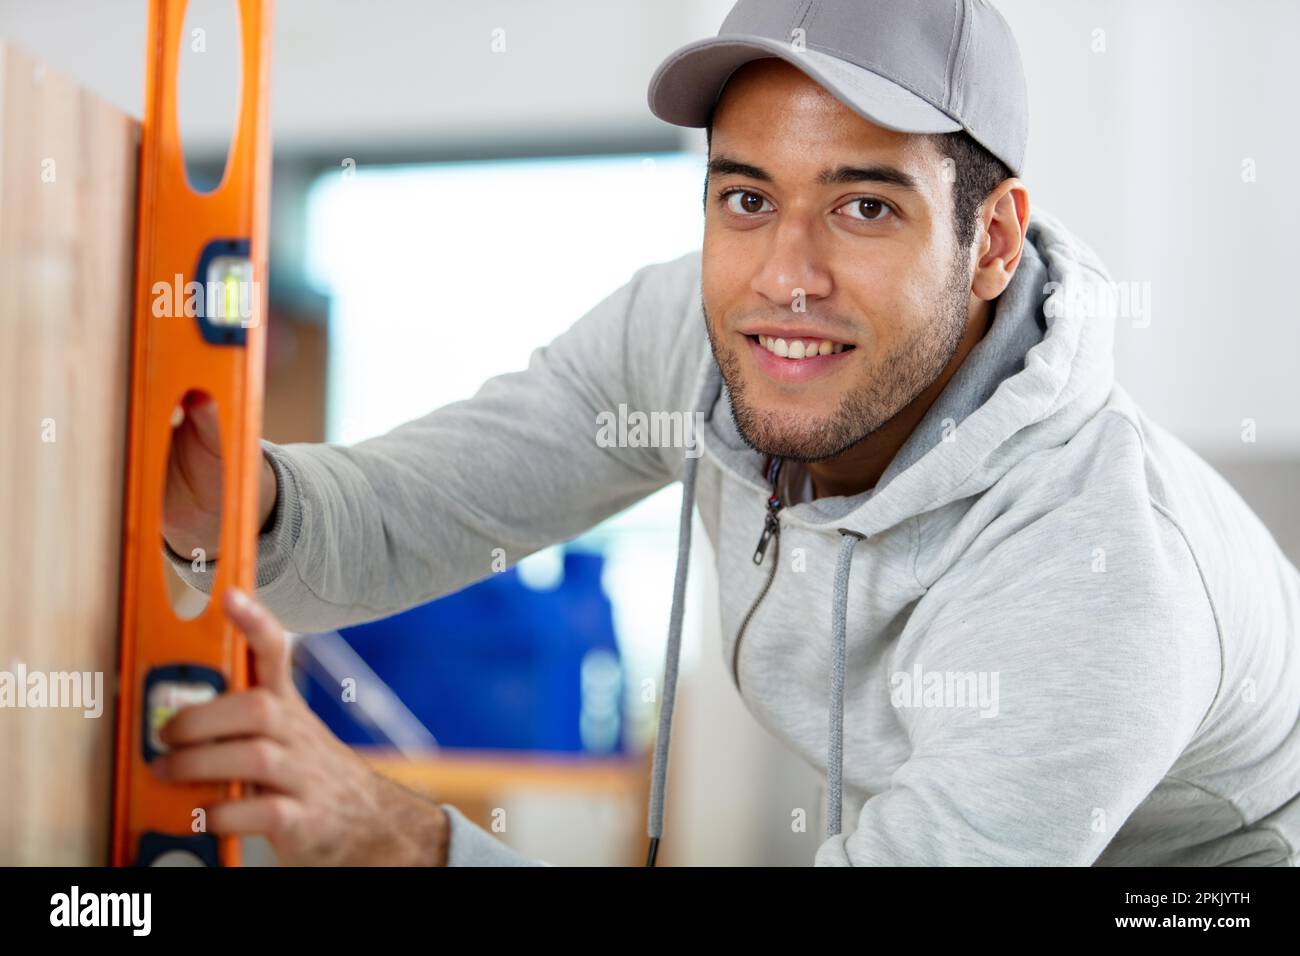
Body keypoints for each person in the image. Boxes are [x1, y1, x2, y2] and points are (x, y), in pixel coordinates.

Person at [158, 0, 1300, 866]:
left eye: (864, 206)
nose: (783, 278)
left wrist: (410, 840)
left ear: (993, 240)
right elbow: (417, 509)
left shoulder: (1094, 574)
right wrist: (231, 506)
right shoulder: (703, 335)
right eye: (746, 197)